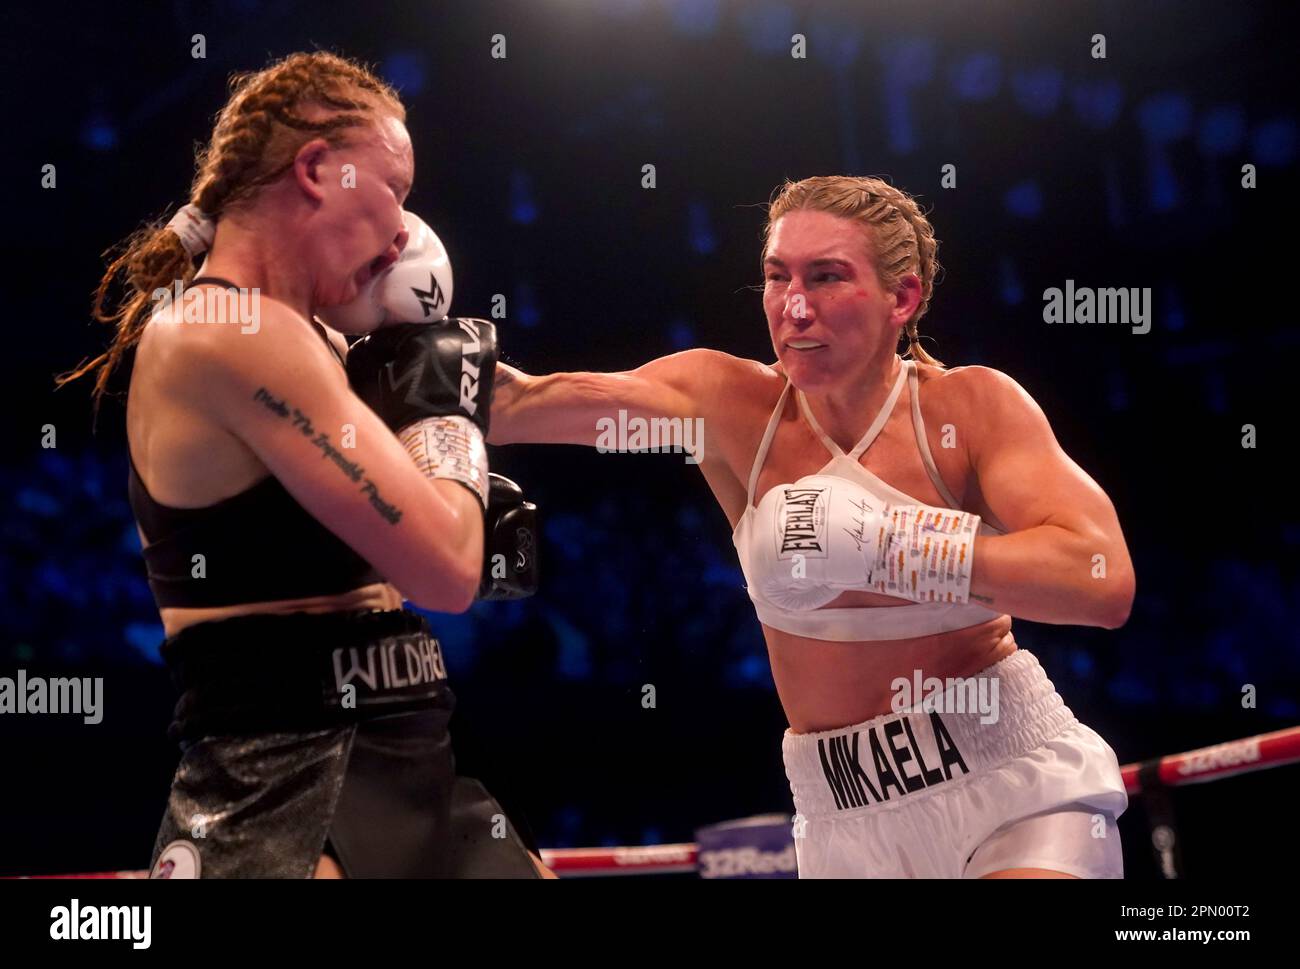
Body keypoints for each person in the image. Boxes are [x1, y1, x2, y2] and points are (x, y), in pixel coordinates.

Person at [488, 175, 1133, 878]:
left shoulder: (968, 408)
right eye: (777, 276)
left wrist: (893, 546)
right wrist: (394, 358)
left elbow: (1099, 578)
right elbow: (526, 405)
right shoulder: (728, 407)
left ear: (903, 298)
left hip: (1013, 790)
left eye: (826, 277)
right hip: (841, 821)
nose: (794, 306)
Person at [56, 51, 546, 878]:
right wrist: (449, 437)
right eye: (396, 190)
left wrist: (730, 408)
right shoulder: (226, 331)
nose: (404, 232)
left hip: (415, 753)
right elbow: (450, 570)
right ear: (318, 169)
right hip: (282, 787)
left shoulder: (319, 344)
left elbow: (522, 401)